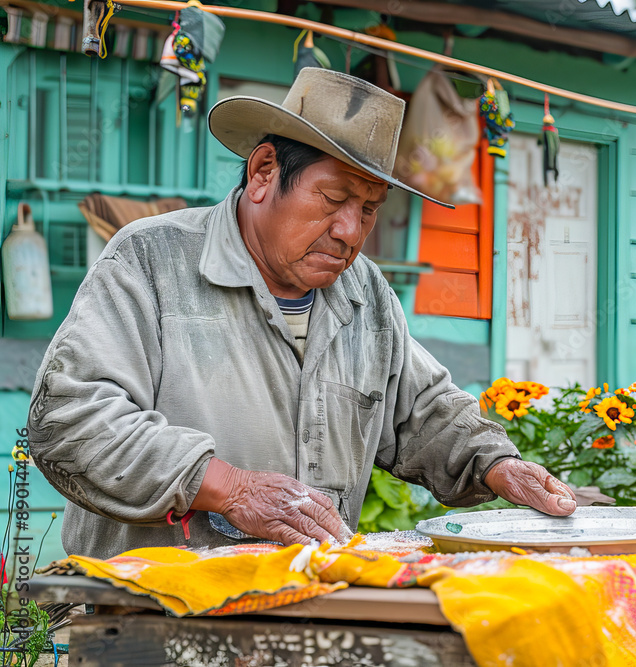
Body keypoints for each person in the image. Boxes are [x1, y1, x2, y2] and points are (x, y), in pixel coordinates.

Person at [27, 68, 576, 559]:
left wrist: (498, 465)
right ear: (264, 172)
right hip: (154, 615)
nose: (350, 232)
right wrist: (230, 489)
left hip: (311, 611)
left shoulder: (365, 293)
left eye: (368, 209)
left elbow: (422, 412)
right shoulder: (150, 260)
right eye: (333, 199)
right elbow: (70, 420)